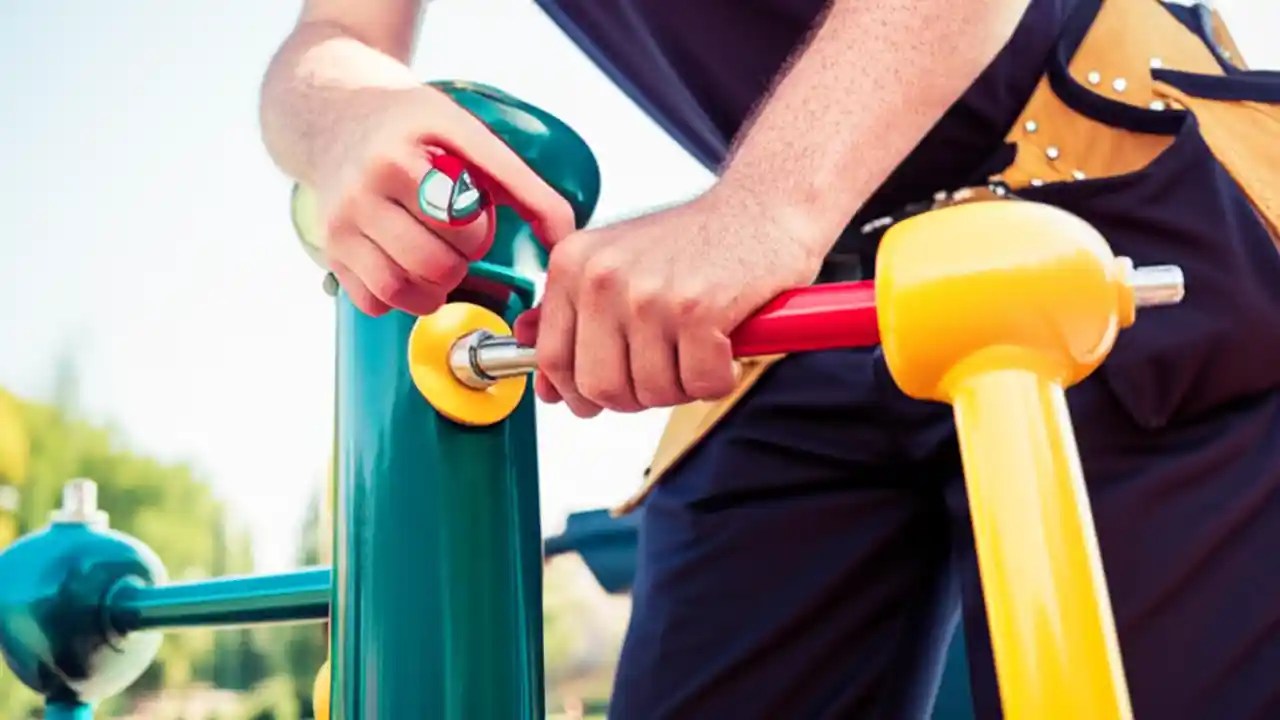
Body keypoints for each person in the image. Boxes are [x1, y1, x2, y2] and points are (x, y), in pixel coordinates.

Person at [259, 1, 1280, 717]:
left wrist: (764, 207)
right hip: (799, 288)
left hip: (1112, 191)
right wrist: (344, 118)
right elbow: (335, 34)